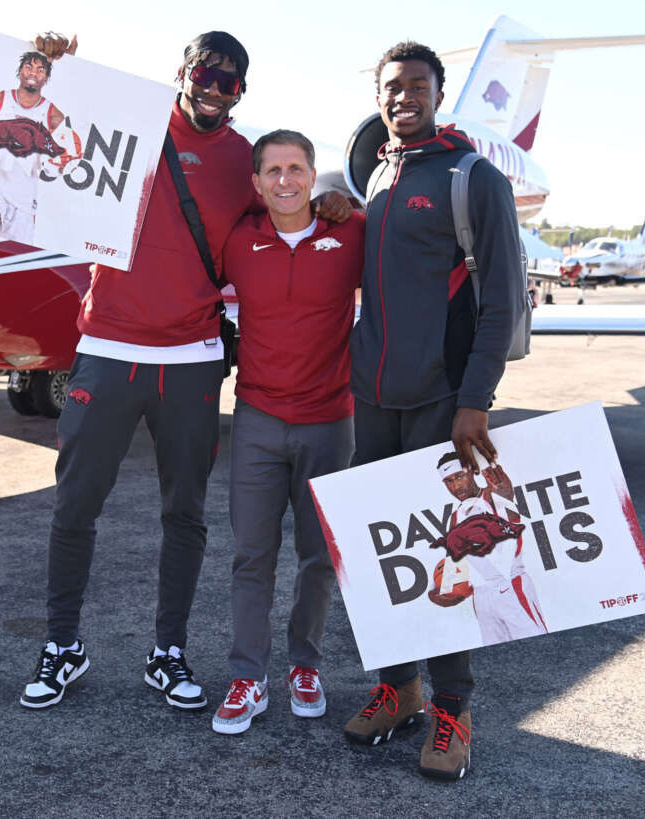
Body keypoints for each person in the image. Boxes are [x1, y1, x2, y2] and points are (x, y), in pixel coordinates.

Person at [20, 33, 350, 713]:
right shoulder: (127, 123)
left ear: (241, 93)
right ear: (182, 71)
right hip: (108, 349)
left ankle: (167, 651)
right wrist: (50, 64)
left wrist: (341, 205)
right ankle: (62, 644)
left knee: (185, 514)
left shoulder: (246, 162)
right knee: (76, 504)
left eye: (231, 83)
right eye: (206, 73)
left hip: (194, 359)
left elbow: (290, 214)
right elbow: (37, 123)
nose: (215, 88)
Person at [342, 41, 525, 781]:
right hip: (373, 404)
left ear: (438, 93)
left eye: (418, 85)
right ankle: (398, 687)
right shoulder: (381, 173)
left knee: (448, 559)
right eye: (393, 86)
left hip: (440, 401)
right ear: (380, 96)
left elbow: (504, 298)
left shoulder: (470, 176)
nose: (404, 95)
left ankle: (454, 707)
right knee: (382, 558)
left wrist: (474, 401)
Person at [210, 130, 364, 735]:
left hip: (332, 421)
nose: (284, 180)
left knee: (318, 557)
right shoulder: (238, 242)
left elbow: (403, 251)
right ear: (256, 182)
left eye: (296, 168)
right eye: (272, 170)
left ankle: (306, 665)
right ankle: (249, 675)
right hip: (258, 421)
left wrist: (353, 206)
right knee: (251, 555)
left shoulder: (350, 233)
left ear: (313, 174)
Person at [429, 453, 547, 645]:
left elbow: (507, 507)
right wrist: (445, 592)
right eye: (449, 481)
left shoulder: (493, 494)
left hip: (511, 586)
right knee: (499, 656)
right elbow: (456, 563)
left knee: (538, 647)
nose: (456, 486)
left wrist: (505, 497)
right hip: (481, 595)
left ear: (471, 472)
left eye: (459, 476)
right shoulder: (456, 517)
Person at [0, 42, 79, 243]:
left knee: (5, 264)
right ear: (20, 71)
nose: (33, 73)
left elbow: (62, 161)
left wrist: (63, 164)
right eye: (28, 67)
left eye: (40, 70)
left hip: (24, 202)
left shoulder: (54, 117)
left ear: (46, 78)